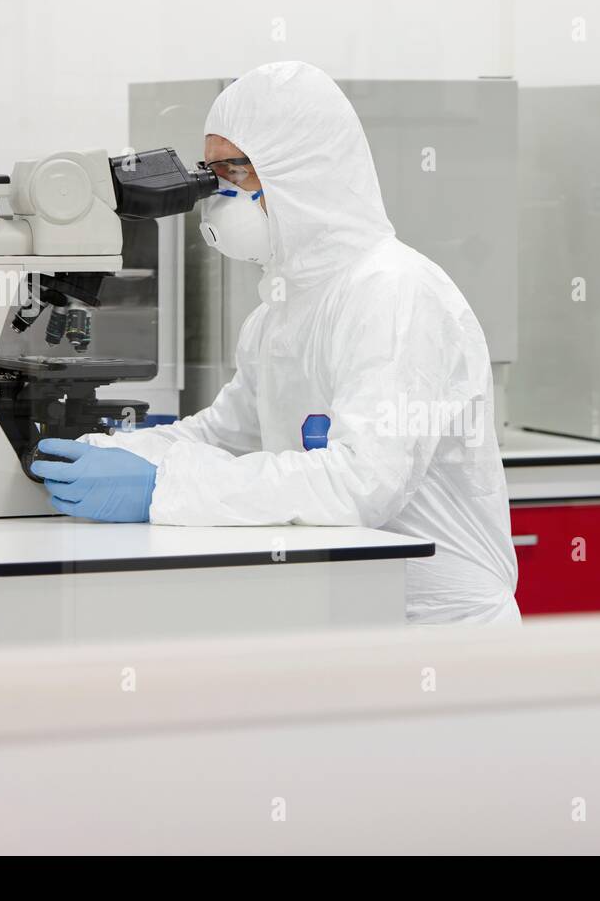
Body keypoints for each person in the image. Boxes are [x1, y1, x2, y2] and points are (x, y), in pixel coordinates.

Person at [31, 61, 520, 624]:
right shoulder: (278, 314)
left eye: (230, 173)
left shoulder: (393, 293)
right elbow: (226, 436)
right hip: (344, 607)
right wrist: (115, 451)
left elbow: (362, 485)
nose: (214, 198)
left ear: (301, 170)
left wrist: (160, 487)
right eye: (209, 176)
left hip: (436, 628)